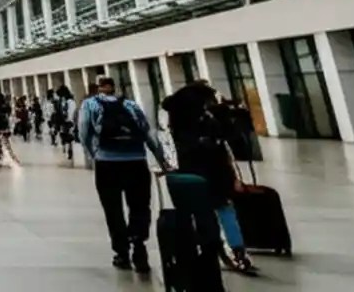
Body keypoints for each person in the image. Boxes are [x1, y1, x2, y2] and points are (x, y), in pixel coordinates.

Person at [78, 76, 171, 273]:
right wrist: (161, 159)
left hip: (107, 164)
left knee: (113, 210)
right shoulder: (130, 104)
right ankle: (139, 245)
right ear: (113, 87)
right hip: (136, 162)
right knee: (139, 206)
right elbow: (148, 133)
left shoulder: (90, 104)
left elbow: (84, 131)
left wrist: (93, 154)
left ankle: (121, 252)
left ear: (98, 88)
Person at [163, 83, 257, 274]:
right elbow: (229, 143)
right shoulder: (211, 117)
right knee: (225, 209)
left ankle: (211, 249)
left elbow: (174, 147)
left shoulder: (177, 117)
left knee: (201, 214)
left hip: (190, 173)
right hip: (217, 170)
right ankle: (237, 251)